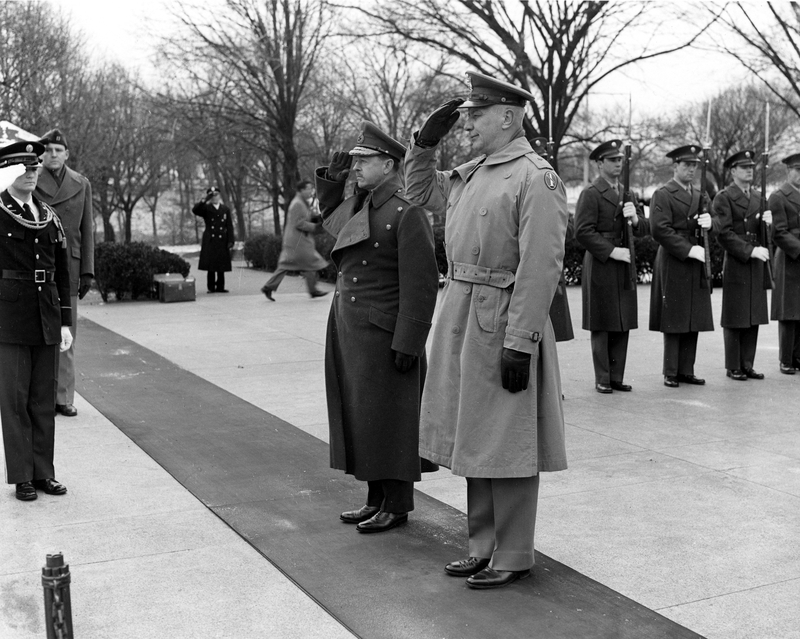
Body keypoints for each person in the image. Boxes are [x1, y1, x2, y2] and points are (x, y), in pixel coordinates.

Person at [405, 71, 568, 590]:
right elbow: (417, 194)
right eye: (466, 115)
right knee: (477, 436)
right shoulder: (471, 172)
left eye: (476, 115)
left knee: (508, 439)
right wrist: (423, 146)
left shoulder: (534, 177)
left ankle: (514, 552)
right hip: (461, 312)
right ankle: (482, 544)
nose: (467, 123)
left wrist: (521, 343)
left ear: (508, 116)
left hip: (502, 319)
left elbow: (541, 265)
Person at [316, 121, 439, 534]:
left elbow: (421, 284)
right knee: (364, 417)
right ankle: (375, 498)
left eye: (363, 161)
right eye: (355, 161)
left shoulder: (407, 211)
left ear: (388, 164)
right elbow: (331, 223)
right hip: (353, 331)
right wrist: (332, 182)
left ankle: (397, 503)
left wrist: (410, 339)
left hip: (386, 335)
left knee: (392, 420)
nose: (356, 168)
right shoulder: (363, 204)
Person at [0, 141, 72, 501]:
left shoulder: (48, 215)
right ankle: (22, 476)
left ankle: (44, 472)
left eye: (35, 169)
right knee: (14, 399)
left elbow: (62, 272)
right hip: (9, 316)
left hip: (46, 312)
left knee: (43, 398)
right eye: (24, 169)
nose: (31, 175)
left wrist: (65, 322)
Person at [574, 139, 648, 393]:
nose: (618, 164)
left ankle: (617, 375)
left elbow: (643, 230)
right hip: (603, 261)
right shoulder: (591, 193)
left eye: (620, 160)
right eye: (612, 160)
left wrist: (636, 218)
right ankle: (603, 377)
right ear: (599, 163)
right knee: (603, 322)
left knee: (622, 320)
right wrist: (611, 251)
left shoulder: (627, 193)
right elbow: (582, 231)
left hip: (623, 260)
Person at [34, 129, 94, 417]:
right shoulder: (31, 180)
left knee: (67, 335)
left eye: (58, 150)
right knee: (43, 334)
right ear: (41, 154)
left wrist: (87, 272)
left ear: (67, 154)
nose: (53, 155)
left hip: (68, 268)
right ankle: (44, 397)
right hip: (40, 267)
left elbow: (87, 230)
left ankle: (63, 398)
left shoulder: (81, 184)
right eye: (48, 150)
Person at [649, 145, 715, 387]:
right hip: (675, 259)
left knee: (693, 316)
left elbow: (714, 221)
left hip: (696, 259)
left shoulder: (700, 195)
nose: (691, 169)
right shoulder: (663, 193)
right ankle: (671, 371)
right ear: (675, 166)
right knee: (674, 317)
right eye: (686, 165)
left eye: (694, 165)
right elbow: (659, 229)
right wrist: (688, 249)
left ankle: (687, 369)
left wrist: (711, 223)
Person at [713, 150, 772, 380]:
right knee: (735, 315)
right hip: (739, 259)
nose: (750, 170)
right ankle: (733, 365)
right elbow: (724, 234)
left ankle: (747, 363)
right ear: (732, 171)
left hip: (757, 259)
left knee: (753, 314)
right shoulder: (724, 197)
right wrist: (749, 251)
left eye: (752, 166)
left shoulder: (760, 197)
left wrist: (770, 224)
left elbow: (768, 235)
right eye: (744, 167)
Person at [531, 136, 574, 343]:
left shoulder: (554, 186)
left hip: (550, 268)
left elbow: (570, 230)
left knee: (550, 337)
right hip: (531, 268)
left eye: (546, 158)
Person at [261, 180, 329, 300]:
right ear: (301, 190)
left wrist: (315, 217)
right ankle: (313, 290)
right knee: (311, 263)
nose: (311, 191)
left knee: (290, 265)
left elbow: (304, 216)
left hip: (297, 241)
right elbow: (299, 222)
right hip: (299, 242)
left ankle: (269, 287)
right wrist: (315, 226)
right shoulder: (298, 203)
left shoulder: (301, 202)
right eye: (308, 189)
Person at [768, 152, 800, 374]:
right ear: (789, 171)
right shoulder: (779, 196)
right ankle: (786, 358)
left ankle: (798, 356)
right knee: (789, 311)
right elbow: (778, 232)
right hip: (791, 257)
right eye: (797, 170)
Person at [192, 186, 234, 293]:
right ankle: (211, 287)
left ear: (219, 196)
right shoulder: (206, 208)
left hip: (221, 239)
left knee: (221, 264)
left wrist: (231, 240)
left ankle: (220, 286)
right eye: (212, 196)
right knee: (211, 265)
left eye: (216, 195)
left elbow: (229, 225)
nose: (215, 198)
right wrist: (204, 200)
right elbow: (195, 210)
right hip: (210, 238)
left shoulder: (225, 209)